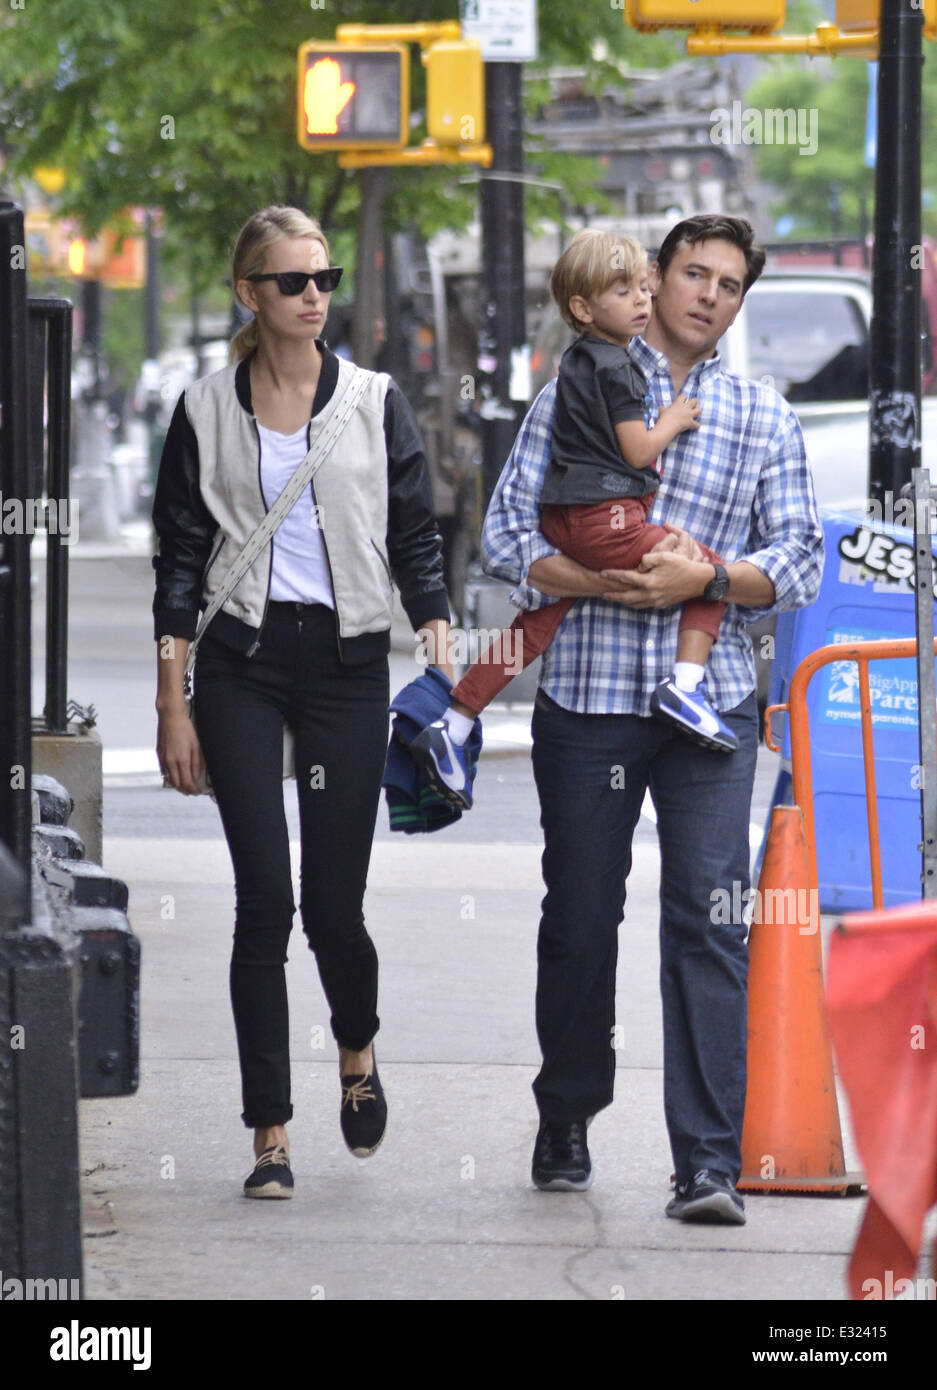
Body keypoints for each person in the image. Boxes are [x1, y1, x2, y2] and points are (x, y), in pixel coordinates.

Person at [478, 214, 823, 1221]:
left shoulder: (762, 415)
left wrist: (706, 575)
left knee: (709, 925)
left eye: (729, 283)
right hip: (586, 698)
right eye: (692, 273)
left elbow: (798, 559)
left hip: (704, 710)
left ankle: (707, 1163)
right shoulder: (576, 389)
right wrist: (604, 578)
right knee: (581, 922)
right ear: (652, 278)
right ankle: (567, 1114)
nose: (708, 293)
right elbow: (505, 536)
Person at [152, 205, 452, 1199]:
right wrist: (173, 700)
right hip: (240, 660)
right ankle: (269, 1134)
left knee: (333, 907)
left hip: (343, 663)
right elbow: (180, 559)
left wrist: (436, 618)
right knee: (263, 905)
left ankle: (356, 1051)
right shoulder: (203, 408)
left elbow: (413, 520)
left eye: (323, 278)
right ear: (251, 294)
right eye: (292, 281)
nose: (314, 295)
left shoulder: (371, 400)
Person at [411, 230, 739, 809]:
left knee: (532, 630)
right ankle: (686, 687)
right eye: (623, 291)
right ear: (584, 308)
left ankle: (453, 724)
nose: (641, 300)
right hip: (610, 520)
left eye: (644, 287)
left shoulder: (574, 365)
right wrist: (675, 418)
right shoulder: (621, 370)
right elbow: (638, 451)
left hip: (567, 523)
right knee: (708, 571)